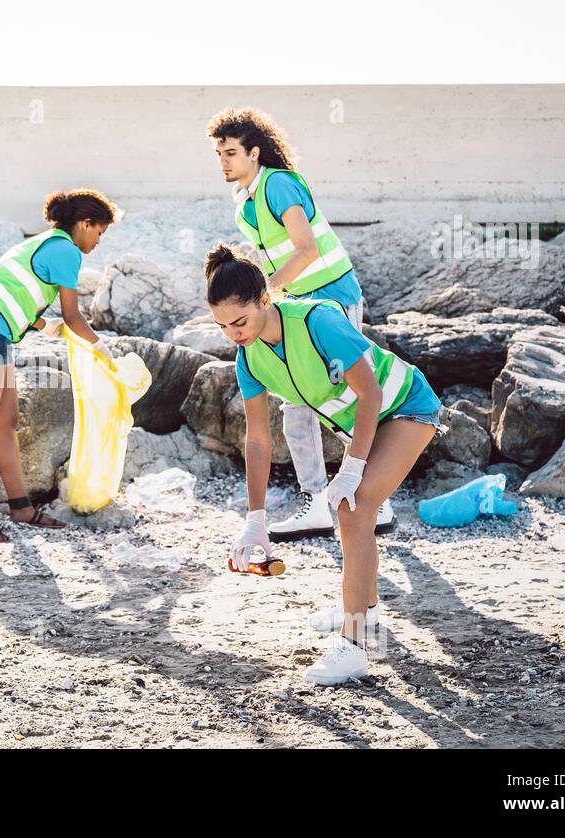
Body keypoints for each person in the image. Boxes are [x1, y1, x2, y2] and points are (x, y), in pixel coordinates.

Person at [204, 243, 444, 685]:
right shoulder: (249, 357)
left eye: (240, 321)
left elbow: (371, 393)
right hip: (363, 426)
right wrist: (255, 518)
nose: (233, 333)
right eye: (222, 326)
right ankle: (363, 613)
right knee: (356, 514)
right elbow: (257, 440)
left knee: (353, 508)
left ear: (264, 299)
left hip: (406, 407)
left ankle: (353, 647)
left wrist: (351, 468)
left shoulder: (318, 320)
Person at [208, 106, 397, 541]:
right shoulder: (246, 201)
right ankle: (315, 502)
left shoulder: (279, 185)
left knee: (350, 396)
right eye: (219, 154)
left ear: (255, 152)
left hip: (333, 300)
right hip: (295, 305)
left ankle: (377, 498)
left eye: (231, 153)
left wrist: (263, 293)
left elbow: (306, 249)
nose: (224, 162)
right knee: (296, 407)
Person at [0, 189, 118, 542]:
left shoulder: (49, 243)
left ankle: (21, 507)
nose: (99, 241)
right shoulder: (66, 252)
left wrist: (43, 325)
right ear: (84, 224)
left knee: (6, 420)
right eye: (99, 232)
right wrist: (102, 347)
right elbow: (74, 316)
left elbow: (16, 291)